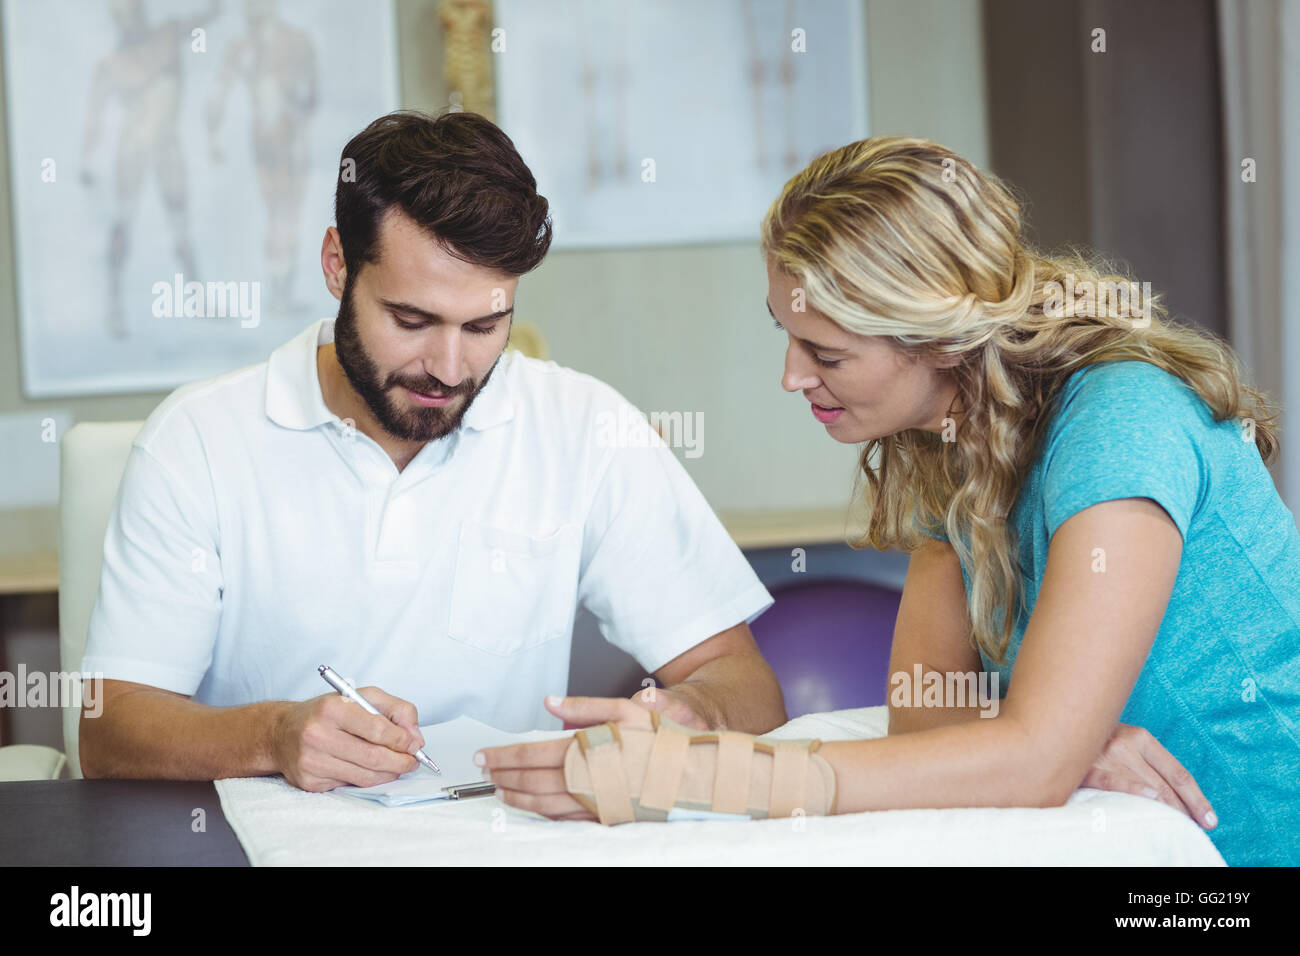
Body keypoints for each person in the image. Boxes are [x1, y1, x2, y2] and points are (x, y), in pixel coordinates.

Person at [479, 136, 1300, 866]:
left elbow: (1033, 764)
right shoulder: (951, 440)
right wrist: (1060, 744)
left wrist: (688, 774)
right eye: (787, 335)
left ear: (940, 338)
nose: (792, 377)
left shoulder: (1123, 423)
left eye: (826, 353)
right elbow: (923, 713)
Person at [78, 110, 784, 791]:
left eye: (484, 325)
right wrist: (275, 736)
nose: (448, 368)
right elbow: (107, 731)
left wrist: (692, 714)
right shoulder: (198, 441)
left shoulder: (585, 427)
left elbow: (742, 680)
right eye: (412, 320)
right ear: (336, 266)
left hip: (502, 844)